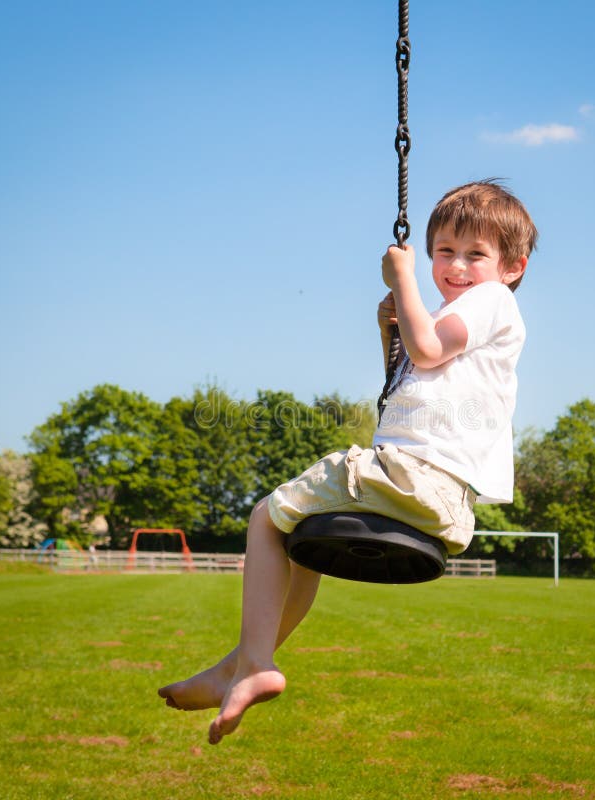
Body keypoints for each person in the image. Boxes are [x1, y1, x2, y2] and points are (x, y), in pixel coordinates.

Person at [158, 180, 538, 745]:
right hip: (444, 501)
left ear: (512, 266)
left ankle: (254, 663)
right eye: (444, 252)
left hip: (414, 474)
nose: (457, 265)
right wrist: (389, 324)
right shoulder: (463, 317)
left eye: (475, 254)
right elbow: (414, 373)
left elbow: (428, 349)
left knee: (266, 516)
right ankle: (237, 665)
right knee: (302, 537)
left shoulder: (492, 302)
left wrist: (403, 278)